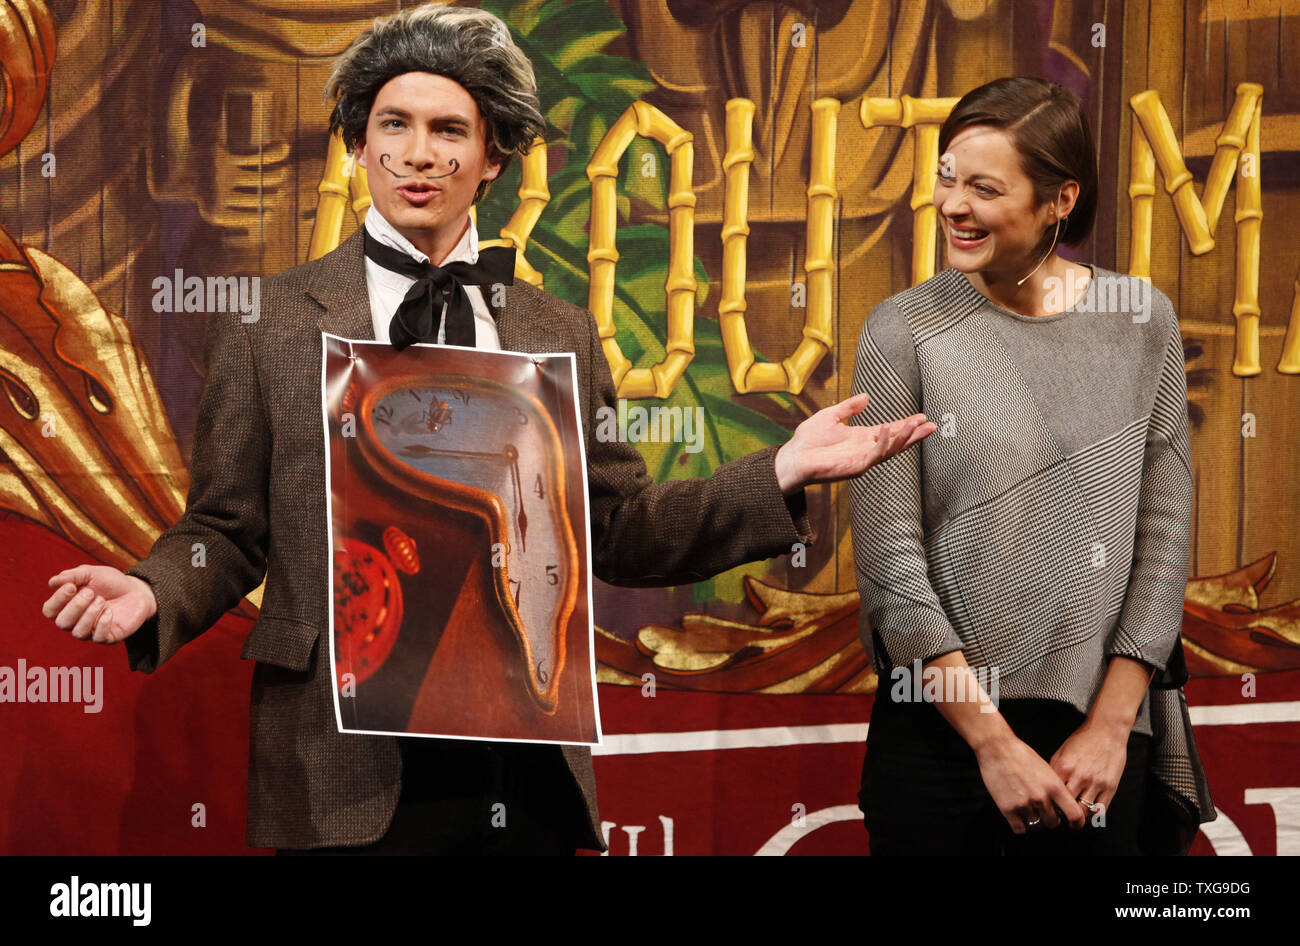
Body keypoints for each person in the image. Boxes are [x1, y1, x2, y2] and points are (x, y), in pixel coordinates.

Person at [40, 4, 934, 855]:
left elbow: (616, 528)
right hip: (349, 766)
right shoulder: (272, 323)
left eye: (449, 131)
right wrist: (156, 589)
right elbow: (226, 527)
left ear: (494, 159)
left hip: (523, 760)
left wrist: (779, 469)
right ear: (357, 146)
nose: (416, 155)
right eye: (392, 125)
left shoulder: (555, 329)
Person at [848, 76, 1215, 855]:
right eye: (947, 176)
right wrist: (991, 744)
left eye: (984, 187)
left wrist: (1113, 727)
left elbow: (1163, 537)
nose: (953, 204)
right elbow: (890, 564)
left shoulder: (1141, 321)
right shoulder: (902, 331)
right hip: (940, 736)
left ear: (1059, 200)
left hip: (1101, 741)